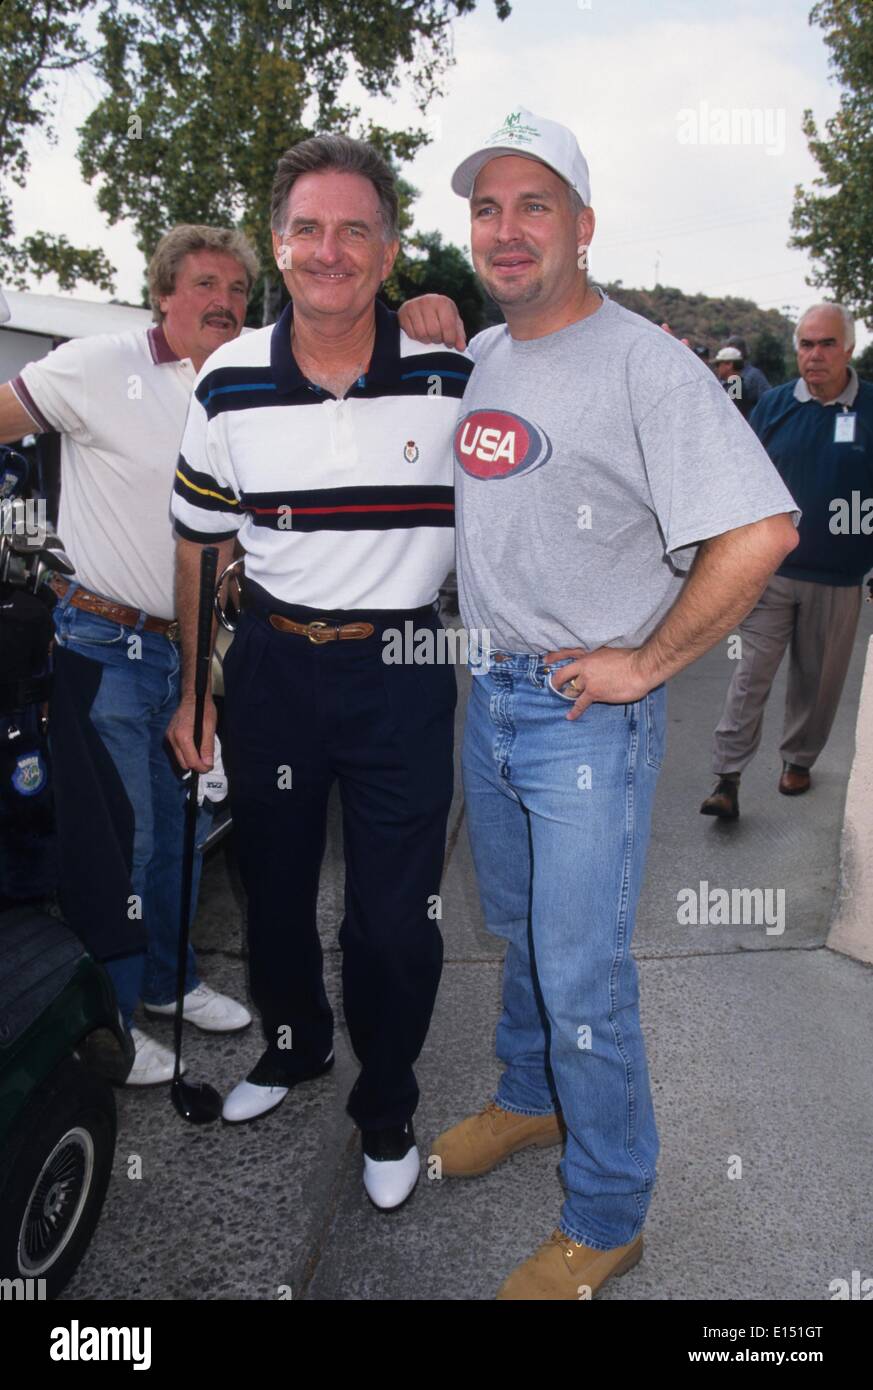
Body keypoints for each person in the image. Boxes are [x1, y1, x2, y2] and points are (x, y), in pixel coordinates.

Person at [397, 106, 798, 1298]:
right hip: (492, 692)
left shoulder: (646, 363)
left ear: (582, 226)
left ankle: (610, 1213)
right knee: (519, 932)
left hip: (586, 717)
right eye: (486, 209)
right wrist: (420, 323)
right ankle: (530, 1095)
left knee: (584, 973)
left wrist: (646, 661)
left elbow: (764, 529)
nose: (507, 230)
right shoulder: (484, 354)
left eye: (535, 206)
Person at [168, 136, 472, 1210]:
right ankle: (293, 1047)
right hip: (273, 670)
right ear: (279, 242)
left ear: (390, 251)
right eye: (308, 228)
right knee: (277, 892)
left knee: (394, 920)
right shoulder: (227, 377)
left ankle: (385, 1100)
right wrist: (195, 691)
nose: (329, 249)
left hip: (402, 668)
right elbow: (203, 545)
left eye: (356, 230)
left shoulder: (455, 370)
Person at [0, 226, 256, 1083]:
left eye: (238, 289)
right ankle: (107, 1013)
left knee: (183, 831)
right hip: (102, 646)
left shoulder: (246, 381)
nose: (224, 300)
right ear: (164, 293)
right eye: (205, 283)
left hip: (193, 654)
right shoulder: (96, 365)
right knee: (123, 841)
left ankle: (168, 984)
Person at [702, 303, 872, 819]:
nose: (814, 356)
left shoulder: (870, 409)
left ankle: (799, 759)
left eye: (825, 345)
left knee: (817, 680)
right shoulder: (774, 406)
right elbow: (743, 481)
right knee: (750, 673)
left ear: (848, 348)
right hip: (772, 573)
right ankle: (727, 777)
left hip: (840, 578)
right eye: (805, 344)